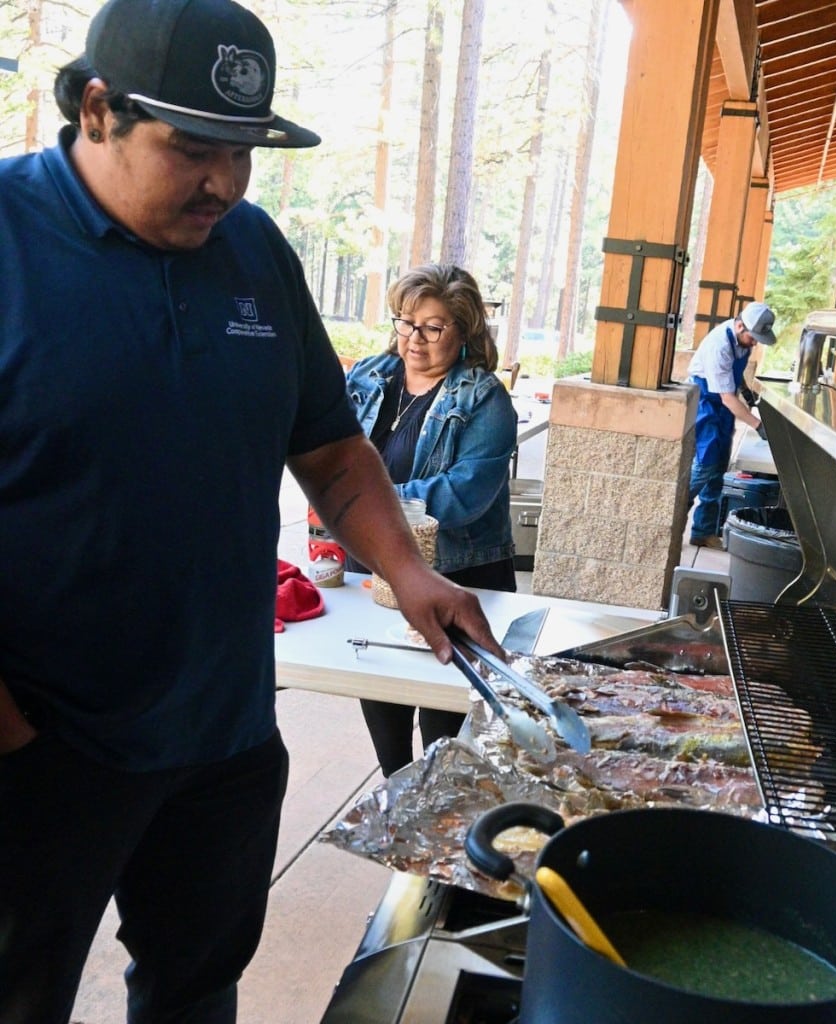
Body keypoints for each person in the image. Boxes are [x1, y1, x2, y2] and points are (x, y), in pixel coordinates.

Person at [0, 1, 504, 1021]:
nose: (225, 183)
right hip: (44, 737)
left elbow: (328, 447)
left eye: (245, 151)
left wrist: (408, 571)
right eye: (193, 147)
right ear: (97, 109)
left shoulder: (255, 251)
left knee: (196, 986)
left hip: (223, 730)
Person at [344, 262, 519, 776]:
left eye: (433, 326)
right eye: (405, 321)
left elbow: (464, 495)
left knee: (445, 726)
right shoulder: (368, 377)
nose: (414, 338)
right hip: (374, 570)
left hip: (457, 577)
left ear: (464, 331)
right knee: (381, 693)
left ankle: (436, 811)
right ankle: (397, 790)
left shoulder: (484, 398)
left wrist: (364, 501)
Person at [684, 301, 777, 549]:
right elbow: (726, 397)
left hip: (723, 404)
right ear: (739, 325)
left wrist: (747, 393)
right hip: (707, 404)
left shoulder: (741, 339)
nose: (755, 342)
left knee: (718, 471)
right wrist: (758, 426)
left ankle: (702, 532)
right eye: (753, 337)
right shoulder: (720, 346)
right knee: (705, 466)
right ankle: (672, 516)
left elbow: (732, 381)